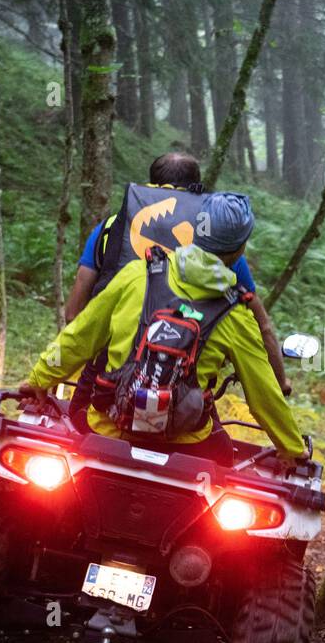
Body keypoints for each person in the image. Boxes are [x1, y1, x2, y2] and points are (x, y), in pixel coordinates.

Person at [21, 192, 307, 469]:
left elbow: (79, 337)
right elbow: (264, 394)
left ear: (195, 231)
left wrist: (39, 379)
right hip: (187, 446)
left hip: (108, 430)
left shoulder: (137, 274)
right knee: (224, 456)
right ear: (240, 249)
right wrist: (292, 448)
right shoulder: (236, 314)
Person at [63, 151, 291, 396]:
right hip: (183, 389)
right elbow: (262, 325)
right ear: (197, 190)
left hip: (105, 378)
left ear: (152, 185)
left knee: (80, 416)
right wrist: (281, 382)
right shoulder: (217, 244)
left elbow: (73, 313)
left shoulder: (111, 228)